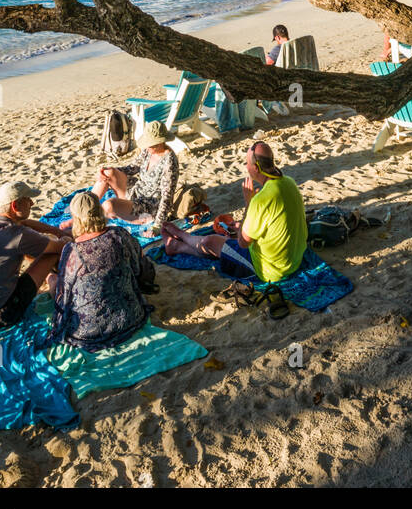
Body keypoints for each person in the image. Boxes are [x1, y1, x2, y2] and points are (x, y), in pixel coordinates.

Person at [161, 141, 307, 283]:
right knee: (227, 235)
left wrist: (249, 202)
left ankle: (180, 238)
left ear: (255, 168)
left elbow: (243, 243)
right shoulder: (289, 182)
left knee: (210, 242)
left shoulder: (260, 200)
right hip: (294, 260)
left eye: (247, 163)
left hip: (269, 270)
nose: (245, 166)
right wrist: (241, 224)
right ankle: (177, 245)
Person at [47, 191, 157, 352]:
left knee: (53, 279)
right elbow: (139, 265)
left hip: (87, 333)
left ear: (76, 218)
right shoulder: (119, 234)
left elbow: (63, 296)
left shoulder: (72, 250)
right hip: (131, 317)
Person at [0, 180, 70, 329]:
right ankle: (61, 284)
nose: (32, 203)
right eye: (27, 200)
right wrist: (65, 236)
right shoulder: (17, 235)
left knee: (37, 247)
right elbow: (61, 247)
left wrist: (56, 231)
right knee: (50, 254)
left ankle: (51, 278)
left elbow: (25, 223)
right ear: (15, 206)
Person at [87, 122, 179, 234]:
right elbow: (132, 168)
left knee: (108, 206)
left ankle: (88, 220)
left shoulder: (169, 162)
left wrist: (157, 226)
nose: (147, 147)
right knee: (108, 172)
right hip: (136, 192)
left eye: (150, 144)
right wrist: (107, 169)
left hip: (147, 207)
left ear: (160, 142)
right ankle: (86, 210)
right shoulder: (148, 151)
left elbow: (167, 197)